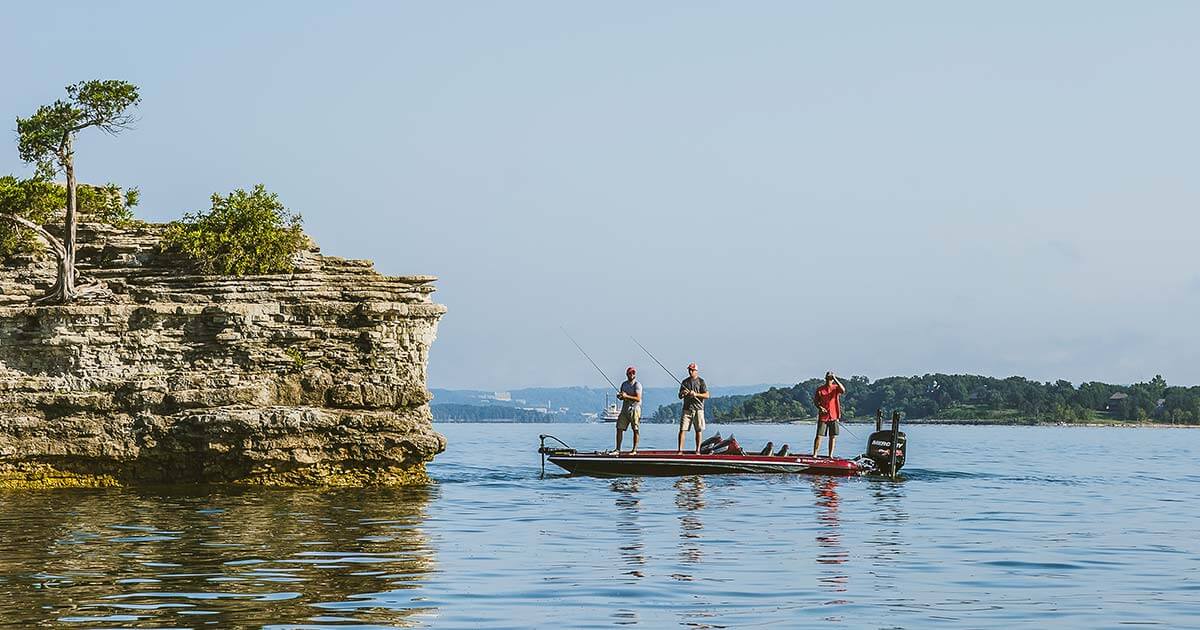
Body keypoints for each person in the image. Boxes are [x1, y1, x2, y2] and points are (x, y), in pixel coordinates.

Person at [677, 362, 710, 454]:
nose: (690, 371)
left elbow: (707, 395)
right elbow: (679, 396)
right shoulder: (685, 382)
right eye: (689, 370)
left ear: (696, 371)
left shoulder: (701, 381)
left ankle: (698, 450)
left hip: (698, 409)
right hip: (686, 409)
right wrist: (683, 393)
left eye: (692, 370)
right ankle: (680, 450)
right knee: (682, 430)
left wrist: (695, 394)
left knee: (698, 430)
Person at [812, 371, 846, 457]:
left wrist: (835, 378)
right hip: (823, 417)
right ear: (825, 379)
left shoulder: (835, 388)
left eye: (830, 379)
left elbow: (843, 390)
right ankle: (815, 454)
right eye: (828, 378)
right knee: (819, 436)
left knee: (832, 436)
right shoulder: (820, 389)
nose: (829, 380)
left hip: (834, 416)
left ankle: (830, 455)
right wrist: (820, 408)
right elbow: (816, 401)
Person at [615, 366, 642, 455]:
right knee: (619, 428)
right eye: (630, 373)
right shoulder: (624, 384)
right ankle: (618, 449)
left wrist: (626, 396)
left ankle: (634, 450)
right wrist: (620, 396)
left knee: (635, 429)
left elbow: (638, 398)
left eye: (633, 373)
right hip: (625, 409)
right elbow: (622, 397)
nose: (632, 374)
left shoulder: (637, 385)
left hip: (635, 409)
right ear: (627, 374)